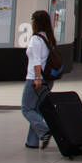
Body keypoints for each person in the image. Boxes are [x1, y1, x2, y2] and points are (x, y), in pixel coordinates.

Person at [21, 10, 56, 150]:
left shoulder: (36, 39)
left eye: (32, 19)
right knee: (37, 109)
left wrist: (36, 78)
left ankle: (45, 131)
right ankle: (32, 142)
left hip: (35, 79)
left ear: (36, 22)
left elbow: (36, 61)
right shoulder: (49, 38)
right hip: (48, 79)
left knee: (26, 109)